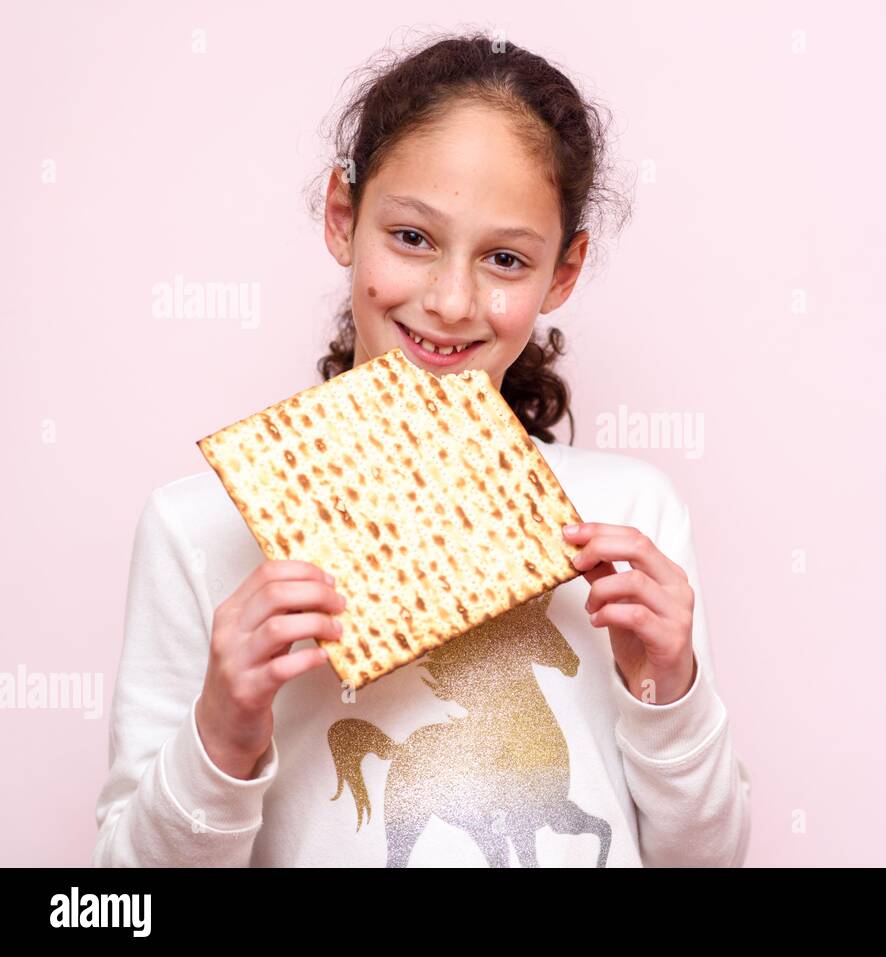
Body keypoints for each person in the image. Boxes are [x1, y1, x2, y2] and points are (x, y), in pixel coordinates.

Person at [92, 30, 751, 867]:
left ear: (562, 272)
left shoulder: (628, 517)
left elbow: (708, 858)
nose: (450, 299)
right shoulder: (199, 530)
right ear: (343, 216)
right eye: (412, 237)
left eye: (505, 258)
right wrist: (221, 728)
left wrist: (668, 688)